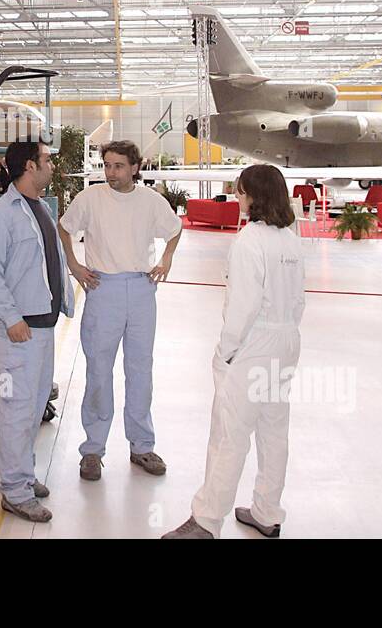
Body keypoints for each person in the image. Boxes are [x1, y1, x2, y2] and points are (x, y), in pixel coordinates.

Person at [163, 163, 305, 539]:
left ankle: (206, 521)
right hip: (287, 342)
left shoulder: (250, 241)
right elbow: (299, 300)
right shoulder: (291, 237)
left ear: (255, 196)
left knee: (229, 434)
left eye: (241, 191)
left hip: (253, 346)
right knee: (274, 430)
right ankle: (268, 511)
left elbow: (243, 307)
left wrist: (226, 353)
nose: (237, 198)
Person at [60, 140, 182, 482]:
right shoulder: (90, 198)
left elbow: (174, 230)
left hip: (142, 289)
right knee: (99, 371)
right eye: (107, 165)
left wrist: (166, 258)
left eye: (118, 166)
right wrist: (75, 265)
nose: (110, 173)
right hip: (103, 289)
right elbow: (64, 227)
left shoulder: (151, 201)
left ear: (134, 168)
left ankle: (141, 445)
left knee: (140, 369)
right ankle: (92, 450)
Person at [0, 139, 75, 523]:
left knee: (34, 408)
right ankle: (15, 492)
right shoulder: (0, 215)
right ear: (30, 167)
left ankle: (24, 474)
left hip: (42, 325)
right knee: (17, 410)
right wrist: (11, 318)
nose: (52, 165)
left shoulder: (40, 209)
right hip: (18, 329)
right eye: (47, 159)